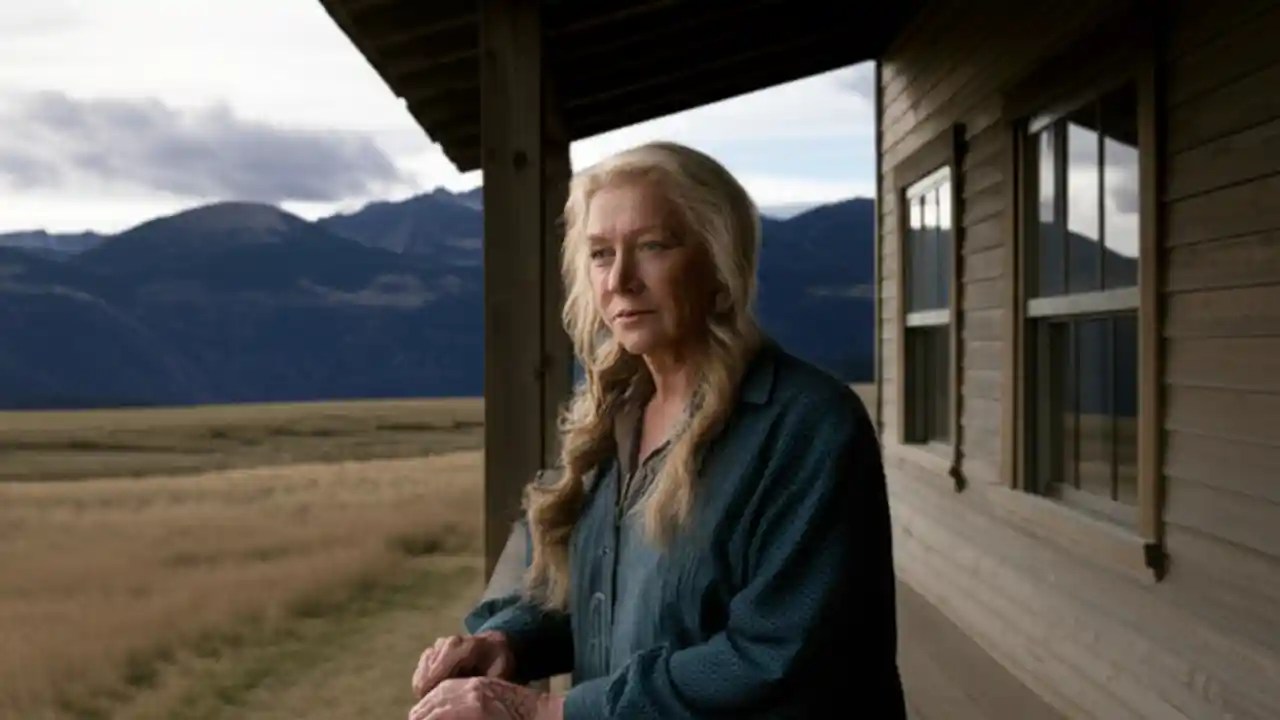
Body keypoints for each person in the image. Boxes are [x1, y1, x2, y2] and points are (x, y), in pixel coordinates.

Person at [407, 141, 906, 719]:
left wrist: (546, 713)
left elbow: (778, 658)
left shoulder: (806, 427)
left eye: (652, 246)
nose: (620, 280)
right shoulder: (606, 420)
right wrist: (506, 642)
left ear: (720, 264)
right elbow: (583, 588)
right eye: (599, 254)